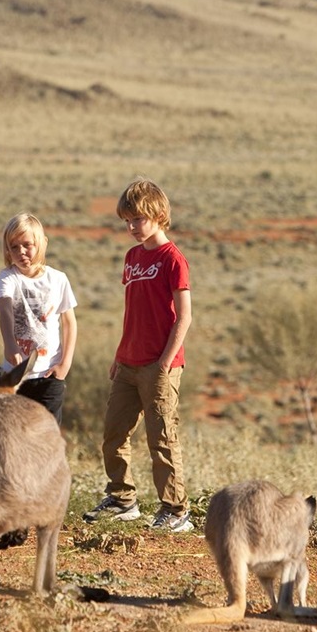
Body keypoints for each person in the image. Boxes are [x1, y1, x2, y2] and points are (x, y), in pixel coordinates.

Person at [82, 177, 193, 532]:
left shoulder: (172, 259)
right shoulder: (132, 257)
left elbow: (185, 316)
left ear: (159, 215)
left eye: (137, 220)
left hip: (160, 365)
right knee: (114, 433)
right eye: (126, 221)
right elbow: (134, 311)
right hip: (128, 362)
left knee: (161, 439)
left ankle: (176, 511)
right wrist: (119, 353)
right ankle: (122, 499)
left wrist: (164, 363)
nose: (131, 227)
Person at [0, 212, 78, 425]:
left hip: (49, 375)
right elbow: (4, 308)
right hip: (15, 376)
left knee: (46, 435)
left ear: (42, 243)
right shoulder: (8, 277)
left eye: (27, 245)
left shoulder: (58, 279)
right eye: (14, 247)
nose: (21, 252)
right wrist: (10, 345)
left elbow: (69, 323)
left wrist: (65, 363)